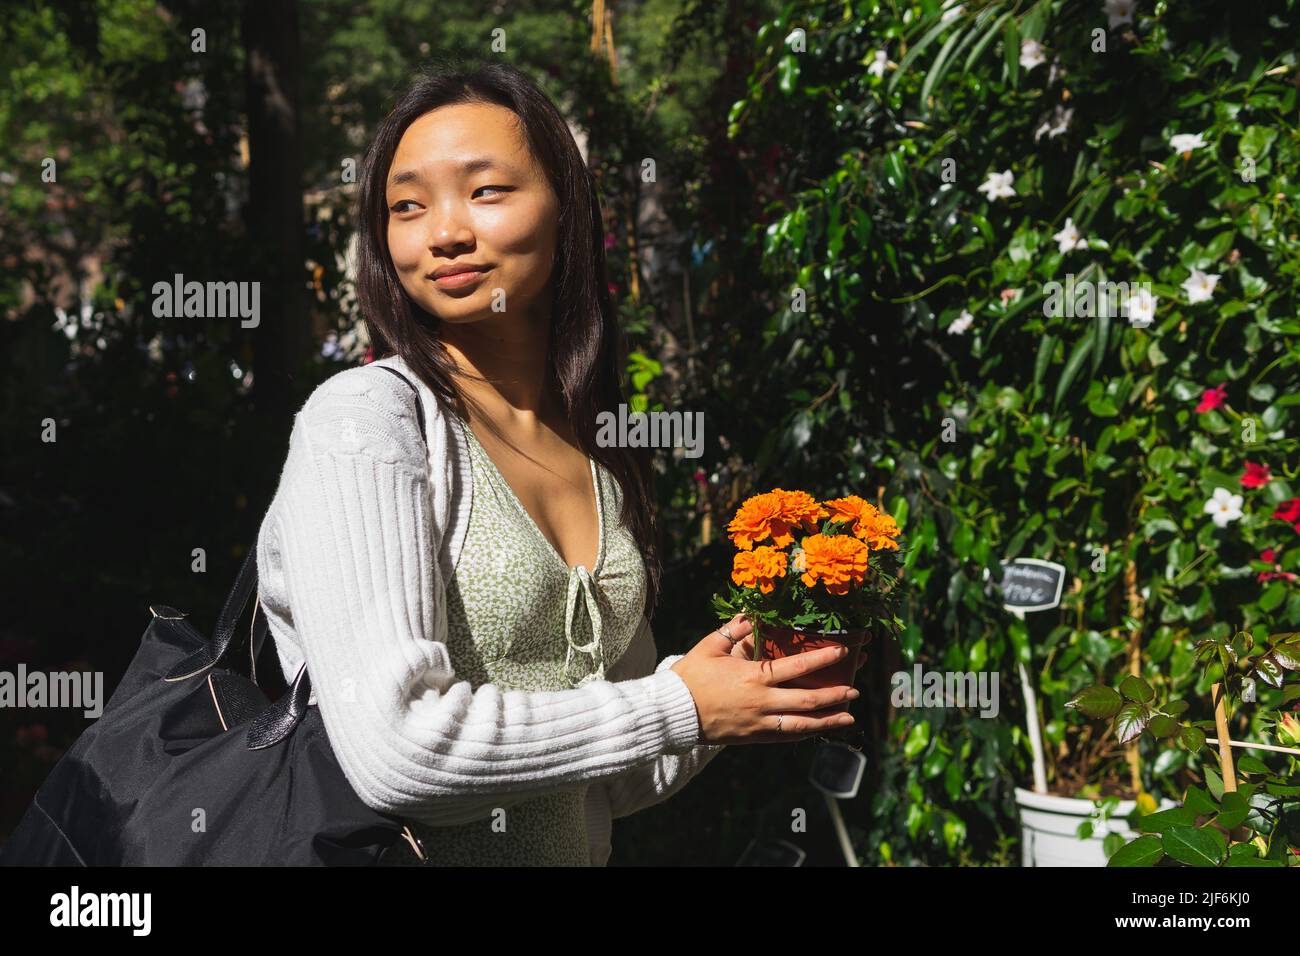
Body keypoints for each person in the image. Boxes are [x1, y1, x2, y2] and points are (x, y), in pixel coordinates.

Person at [253, 59, 862, 866]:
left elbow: (606, 779)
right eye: (407, 205)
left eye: (486, 191)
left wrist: (741, 682)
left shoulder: (597, 450)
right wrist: (678, 705)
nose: (442, 233)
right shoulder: (366, 423)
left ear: (566, 210)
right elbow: (399, 750)